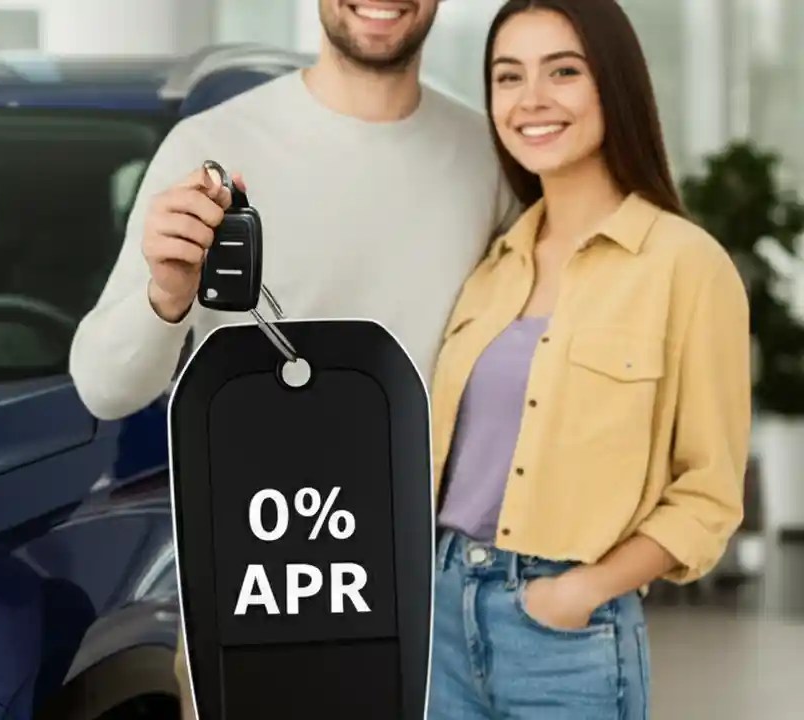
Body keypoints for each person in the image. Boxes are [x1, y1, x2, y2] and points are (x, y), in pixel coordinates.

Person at [67, 1, 520, 717]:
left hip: (423, 612)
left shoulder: (487, 157)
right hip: (255, 598)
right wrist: (166, 292)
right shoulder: (211, 147)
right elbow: (103, 387)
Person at [426, 1, 751, 718]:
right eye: (508, 77)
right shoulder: (493, 263)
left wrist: (579, 592)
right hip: (438, 618)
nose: (531, 99)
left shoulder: (686, 266)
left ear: (615, 84)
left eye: (563, 71)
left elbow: (709, 492)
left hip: (565, 638)